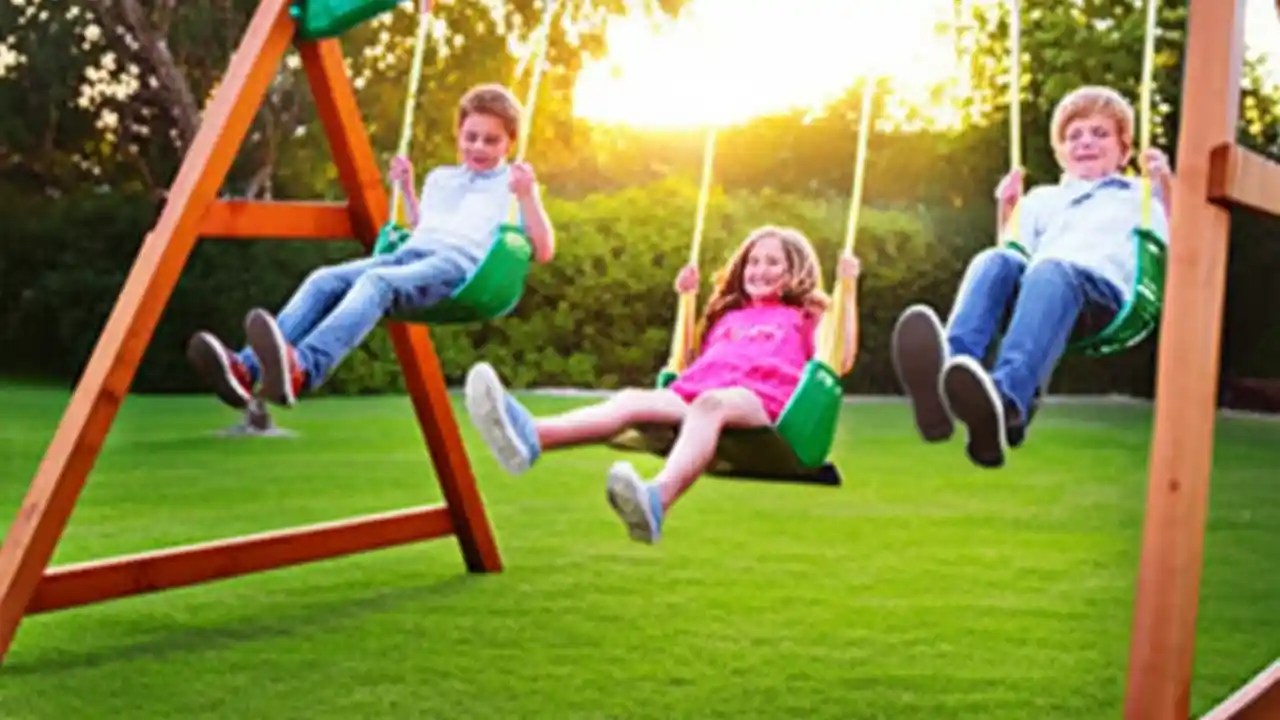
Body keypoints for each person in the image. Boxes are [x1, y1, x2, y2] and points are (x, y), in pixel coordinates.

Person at [463, 225, 860, 544]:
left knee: (713, 403)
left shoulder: (806, 314)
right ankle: (532, 437)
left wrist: (848, 290)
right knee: (634, 400)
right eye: (753, 261)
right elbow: (689, 363)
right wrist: (687, 300)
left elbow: (837, 359)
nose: (759, 269)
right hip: (701, 394)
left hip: (766, 409)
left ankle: (656, 499)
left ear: (799, 271)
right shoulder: (728, 317)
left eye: (774, 262)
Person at [186, 83, 556, 408]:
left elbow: (543, 250)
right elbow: (424, 227)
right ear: (458, 134)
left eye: (491, 140)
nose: (478, 147)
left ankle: (305, 368)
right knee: (323, 279)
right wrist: (409, 190)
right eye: (471, 136)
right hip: (412, 253)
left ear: (510, 142)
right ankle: (247, 369)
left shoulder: (514, 184)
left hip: (459, 268)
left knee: (376, 283)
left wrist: (526, 196)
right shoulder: (441, 178)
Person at [890, 84, 1173, 469]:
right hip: (1042, 293)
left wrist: (1166, 187)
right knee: (994, 261)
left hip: (1101, 298)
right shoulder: (1042, 199)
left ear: (1125, 150)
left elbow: (1184, 238)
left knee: (1050, 270)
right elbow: (1014, 254)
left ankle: (1007, 401)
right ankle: (950, 373)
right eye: (1074, 136)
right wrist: (1008, 212)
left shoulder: (1140, 195)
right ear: (1060, 153)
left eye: (1100, 133)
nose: (1085, 142)